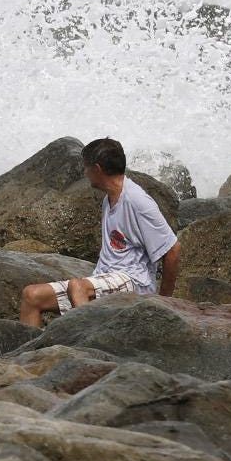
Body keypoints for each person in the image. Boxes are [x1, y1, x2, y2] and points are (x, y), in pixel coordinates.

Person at [18, 137, 180, 327]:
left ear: (97, 169)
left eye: (86, 168)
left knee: (78, 286)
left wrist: (164, 302)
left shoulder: (137, 201)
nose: (85, 173)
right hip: (103, 278)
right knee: (31, 296)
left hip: (134, 281)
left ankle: (89, 342)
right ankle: (33, 356)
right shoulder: (109, 199)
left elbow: (173, 249)